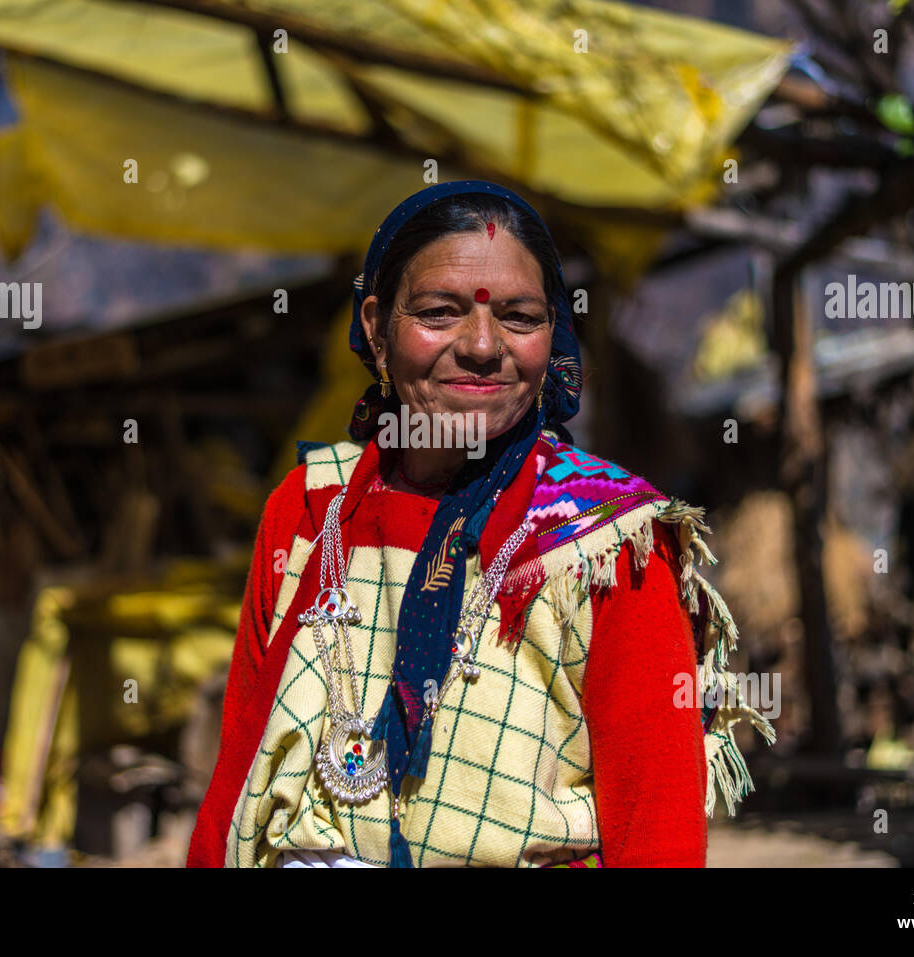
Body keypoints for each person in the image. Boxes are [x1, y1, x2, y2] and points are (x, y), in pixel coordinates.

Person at [187, 179, 773, 868]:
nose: (483, 345)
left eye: (521, 316)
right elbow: (238, 768)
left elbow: (657, 829)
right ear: (376, 327)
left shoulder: (605, 542)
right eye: (440, 311)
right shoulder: (312, 510)